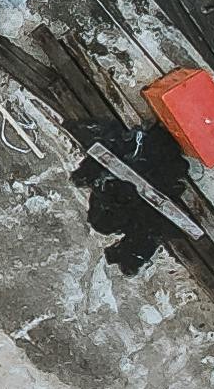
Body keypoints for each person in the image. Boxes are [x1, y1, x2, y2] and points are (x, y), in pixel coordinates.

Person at [71, 118, 188, 276]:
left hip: (136, 173)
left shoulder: (104, 222)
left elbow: (106, 191)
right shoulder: (144, 226)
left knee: (105, 222)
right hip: (150, 172)